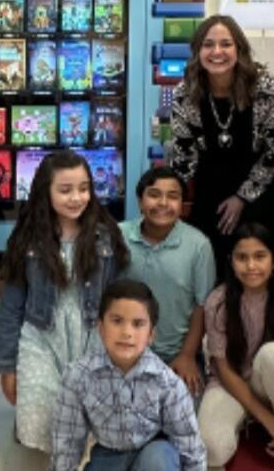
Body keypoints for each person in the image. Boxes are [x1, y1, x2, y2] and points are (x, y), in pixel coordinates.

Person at [0, 149, 130, 452]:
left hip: (92, 335)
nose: (76, 198)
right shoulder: (27, 238)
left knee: (88, 419)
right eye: (65, 190)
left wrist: (124, 347)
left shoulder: (106, 236)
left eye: (83, 189)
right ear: (46, 192)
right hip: (41, 334)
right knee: (42, 420)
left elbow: (120, 297)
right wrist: (6, 365)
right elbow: (11, 306)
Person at [167, 15, 274, 282]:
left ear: (240, 49)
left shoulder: (268, 88)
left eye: (226, 44)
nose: (217, 52)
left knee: (264, 269)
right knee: (215, 269)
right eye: (208, 44)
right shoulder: (185, 92)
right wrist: (168, 196)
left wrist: (242, 198)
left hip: (265, 190)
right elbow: (183, 154)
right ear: (197, 51)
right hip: (213, 189)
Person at [50, 279, 207, 471]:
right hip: (107, 456)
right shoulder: (77, 376)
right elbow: (67, 441)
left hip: (152, 452)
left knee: (159, 458)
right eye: (117, 321)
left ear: (151, 335)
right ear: (101, 328)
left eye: (138, 324)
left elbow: (188, 443)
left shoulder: (167, 382)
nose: (126, 332)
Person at [199, 222, 274, 469]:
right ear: (231, 261)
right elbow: (224, 369)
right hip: (231, 384)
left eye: (260, 256)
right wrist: (266, 418)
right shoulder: (218, 301)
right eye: (242, 258)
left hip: (272, 383)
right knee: (212, 452)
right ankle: (254, 421)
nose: (251, 266)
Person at [118, 166, 215, 397]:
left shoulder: (198, 245)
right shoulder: (118, 237)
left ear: (182, 205)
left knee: (181, 420)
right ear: (140, 202)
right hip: (126, 350)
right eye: (154, 194)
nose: (163, 203)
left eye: (173, 196)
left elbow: (203, 306)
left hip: (177, 354)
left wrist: (188, 355)